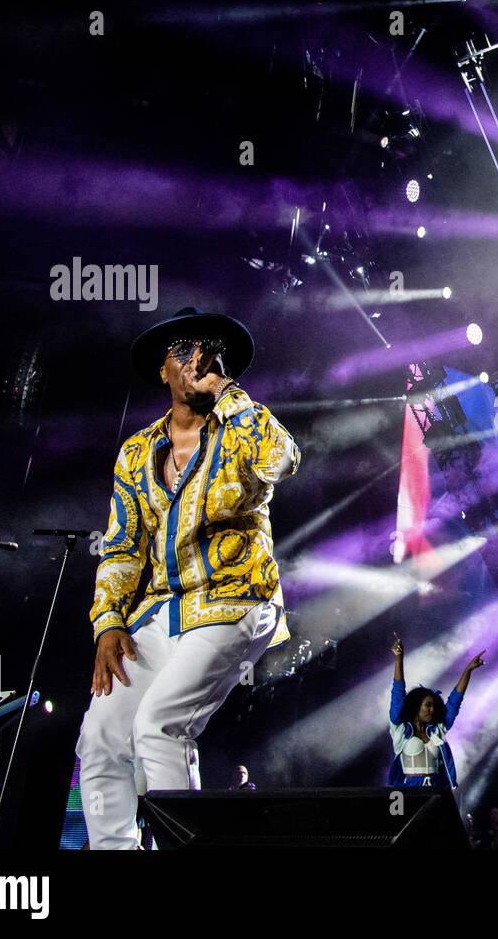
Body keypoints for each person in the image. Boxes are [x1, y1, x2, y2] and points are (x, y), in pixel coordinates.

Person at [77, 306, 300, 850]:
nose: (198, 361)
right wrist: (107, 622)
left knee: (159, 725)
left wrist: (227, 392)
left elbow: (285, 458)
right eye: (185, 352)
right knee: (100, 738)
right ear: (164, 371)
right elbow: (123, 546)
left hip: (237, 600)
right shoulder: (135, 453)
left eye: (209, 353)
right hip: (165, 609)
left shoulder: (243, 426)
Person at [387, 634, 485, 788]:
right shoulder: (401, 730)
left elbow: (454, 703)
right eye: (428, 705)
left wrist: (468, 671)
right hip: (408, 790)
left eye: (433, 706)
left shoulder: (437, 731)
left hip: (436, 788)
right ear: (417, 705)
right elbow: (397, 694)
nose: (432, 710)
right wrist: (399, 659)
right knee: (404, 813)